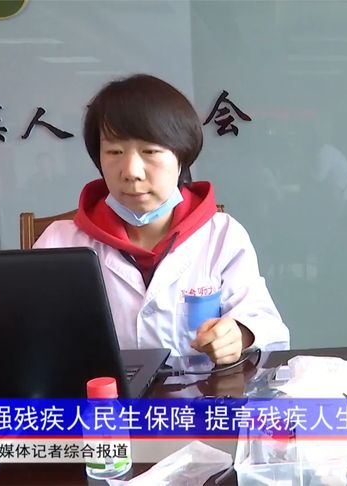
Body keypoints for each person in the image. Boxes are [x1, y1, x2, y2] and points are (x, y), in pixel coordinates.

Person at [35, 74, 289, 363]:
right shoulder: (59, 242)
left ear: (181, 157)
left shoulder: (222, 235)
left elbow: (266, 323)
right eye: (114, 151)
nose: (131, 172)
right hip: (99, 391)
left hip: (201, 390)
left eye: (150, 151)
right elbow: (29, 334)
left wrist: (240, 333)